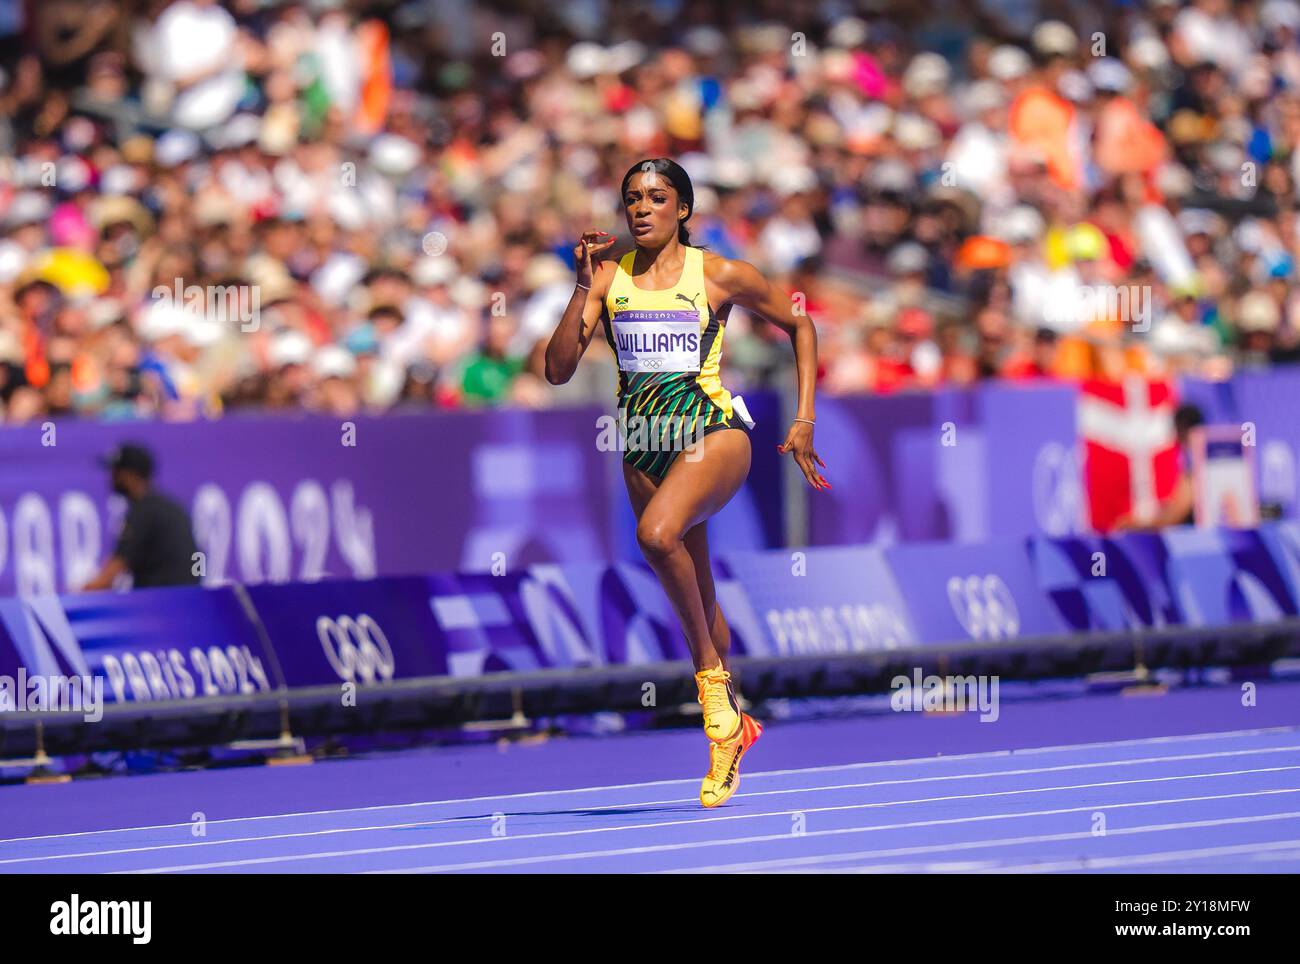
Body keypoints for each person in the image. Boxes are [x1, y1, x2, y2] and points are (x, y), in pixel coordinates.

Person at [544, 158, 828, 808]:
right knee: (700, 598)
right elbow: (558, 371)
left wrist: (805, 419)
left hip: (712, 432)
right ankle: (729, 731)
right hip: (644, 448)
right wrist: (579, 285)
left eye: (656, 197)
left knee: (656, 533)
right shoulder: (608, 279)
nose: (641, 208)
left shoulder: (719, 273)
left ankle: (711, 690)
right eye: (632, 199)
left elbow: (800, 325)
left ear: (682, 209)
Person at [82, 443, 202, 591]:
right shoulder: (172, 507)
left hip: (161, 602)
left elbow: (110, 576)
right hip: (186, 598)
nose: (111, 477)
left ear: (129, 475)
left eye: (116, 471)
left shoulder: (143, 512)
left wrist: (75, 597)